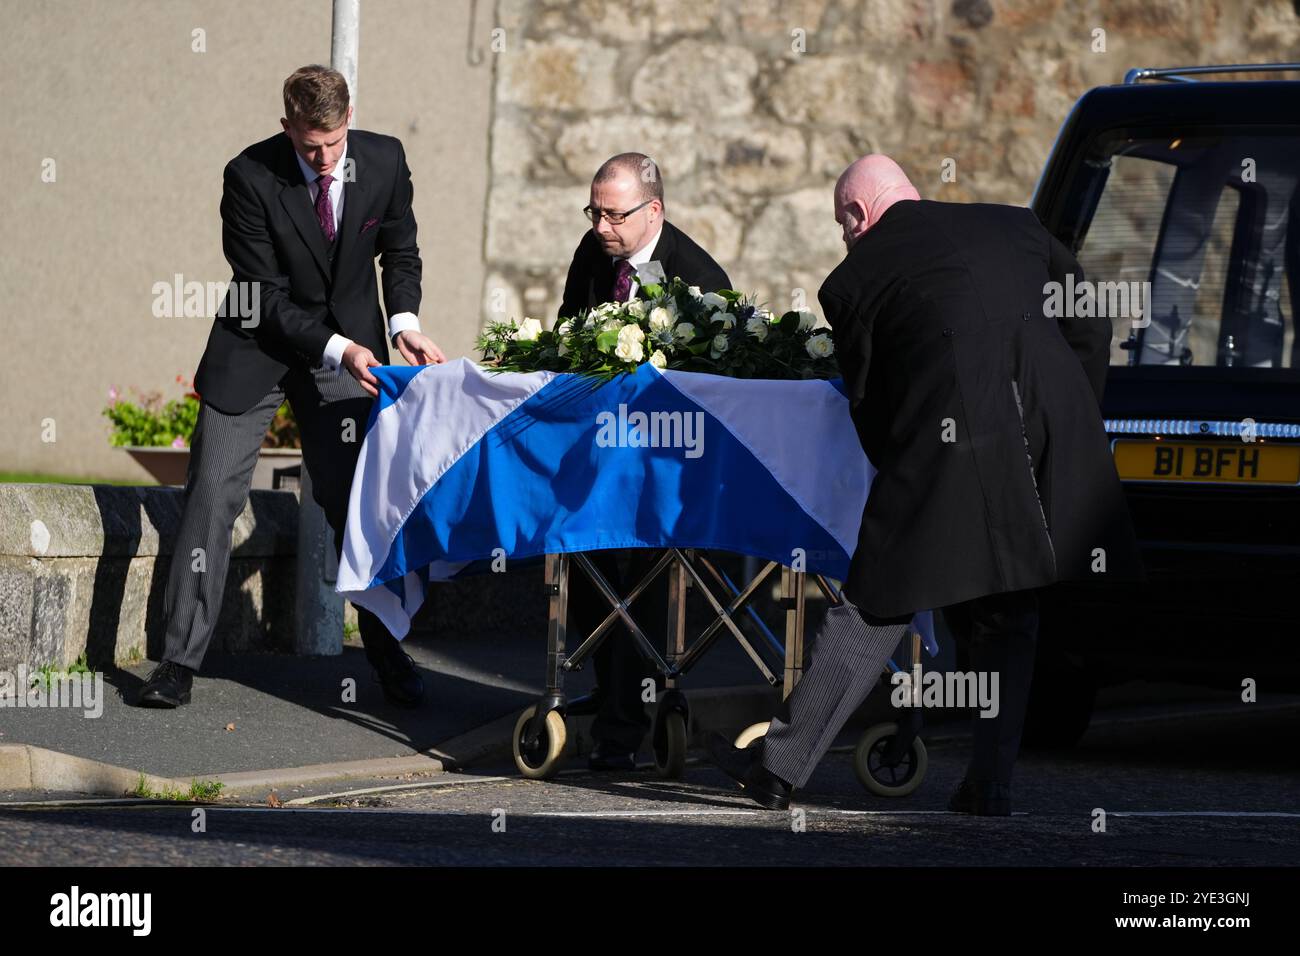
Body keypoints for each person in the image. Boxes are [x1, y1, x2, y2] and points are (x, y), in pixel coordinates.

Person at [708, 154, 1141, 813]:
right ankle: (989, 786)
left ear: (859, 214)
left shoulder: (852, 282)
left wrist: (901, 469)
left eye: (841, 223)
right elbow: (1090, 322)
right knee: (1011, 609)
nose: (845, 237)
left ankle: (777, 770)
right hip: (1045, 439)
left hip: (942, 450)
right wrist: (1074, 415)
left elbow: (870, 401)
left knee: (878, 602)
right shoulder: (1016, 226)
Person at [135, 65, 445, 709]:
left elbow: (401, 249)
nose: (324, 157)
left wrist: (405, 321)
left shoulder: (384, 161)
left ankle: (387, 650)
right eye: (309, 146)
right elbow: (266, 298)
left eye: (334, 142)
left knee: (355, 501)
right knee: (212, 495)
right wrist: (341, 346)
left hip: (349, 354)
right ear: (286, 127)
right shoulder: (248, 176)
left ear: (349, 118)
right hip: (256, 347)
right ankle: (177, 661)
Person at [559, 152, 730, 770]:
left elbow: (714, 385)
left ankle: (619, 731)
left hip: (666, 468)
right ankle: (614, 693)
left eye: (614, 215)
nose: (601, 226)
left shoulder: (698, 277)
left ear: (652, 210)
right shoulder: (592, 253)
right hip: (600, 455)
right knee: (574, 570)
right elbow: (568, 335)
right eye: (594, 211)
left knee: (637, 582)